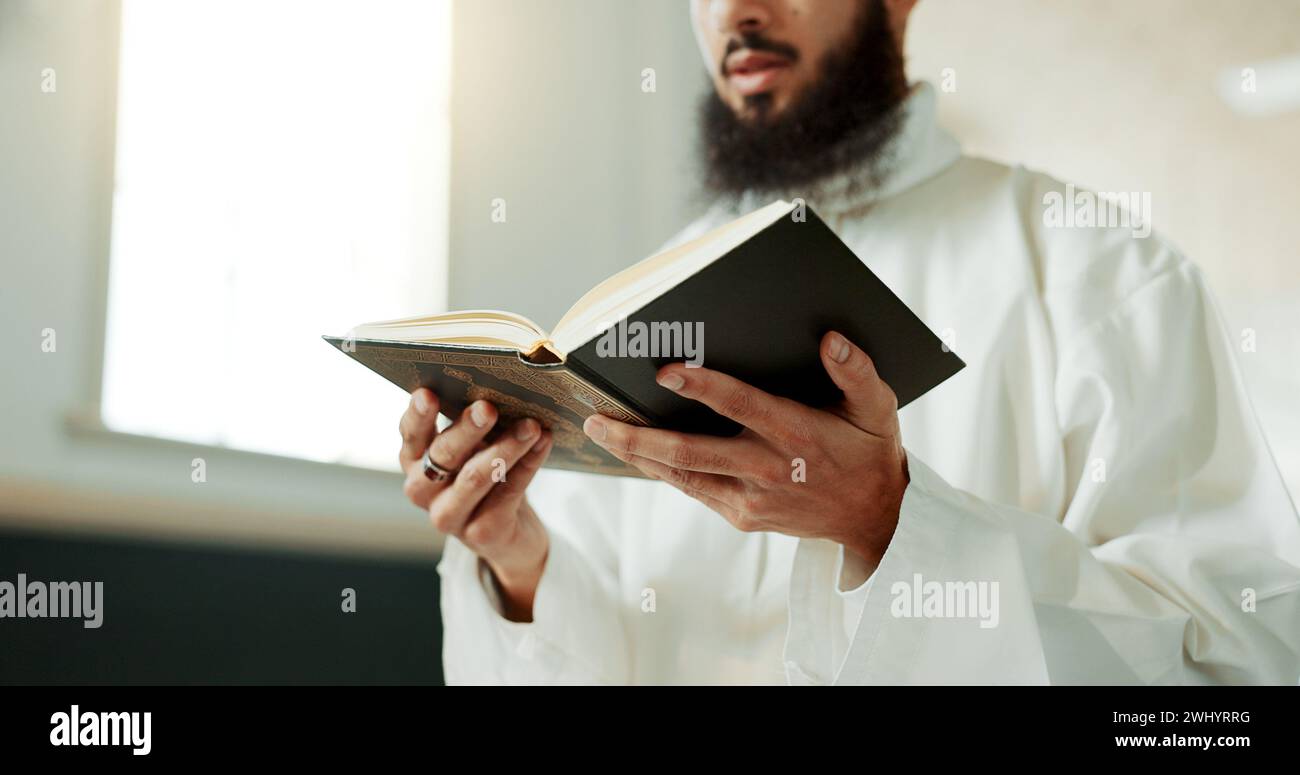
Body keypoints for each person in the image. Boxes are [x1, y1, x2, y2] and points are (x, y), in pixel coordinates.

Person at [396, 0, 1300, 684]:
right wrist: (518, 565)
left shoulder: (1104, 274)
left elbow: (1227, 685)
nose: (737, 13)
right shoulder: (634, 311)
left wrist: (896, 526)